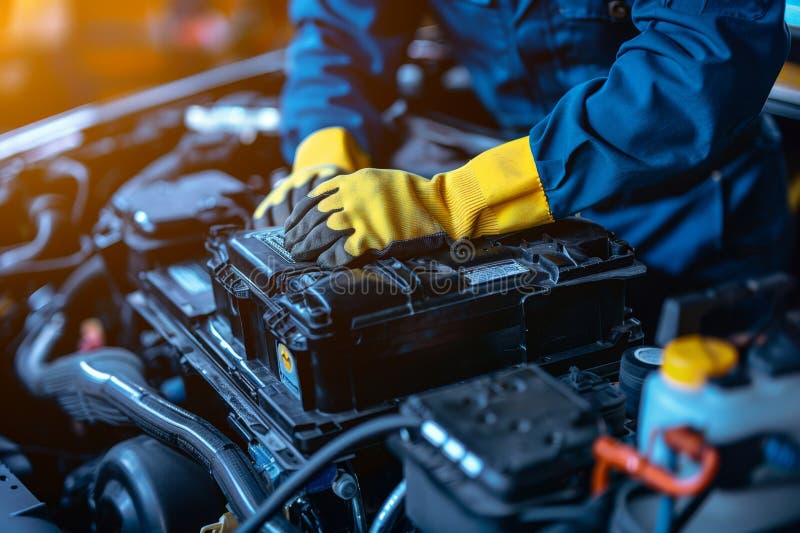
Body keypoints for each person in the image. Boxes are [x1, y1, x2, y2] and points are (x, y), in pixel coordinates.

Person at [255, 0, 791, 312]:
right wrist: (322, 153)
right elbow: (338, 31)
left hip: (693, 218)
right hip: (522, 200)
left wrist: (458, 198)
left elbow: (699, 63)